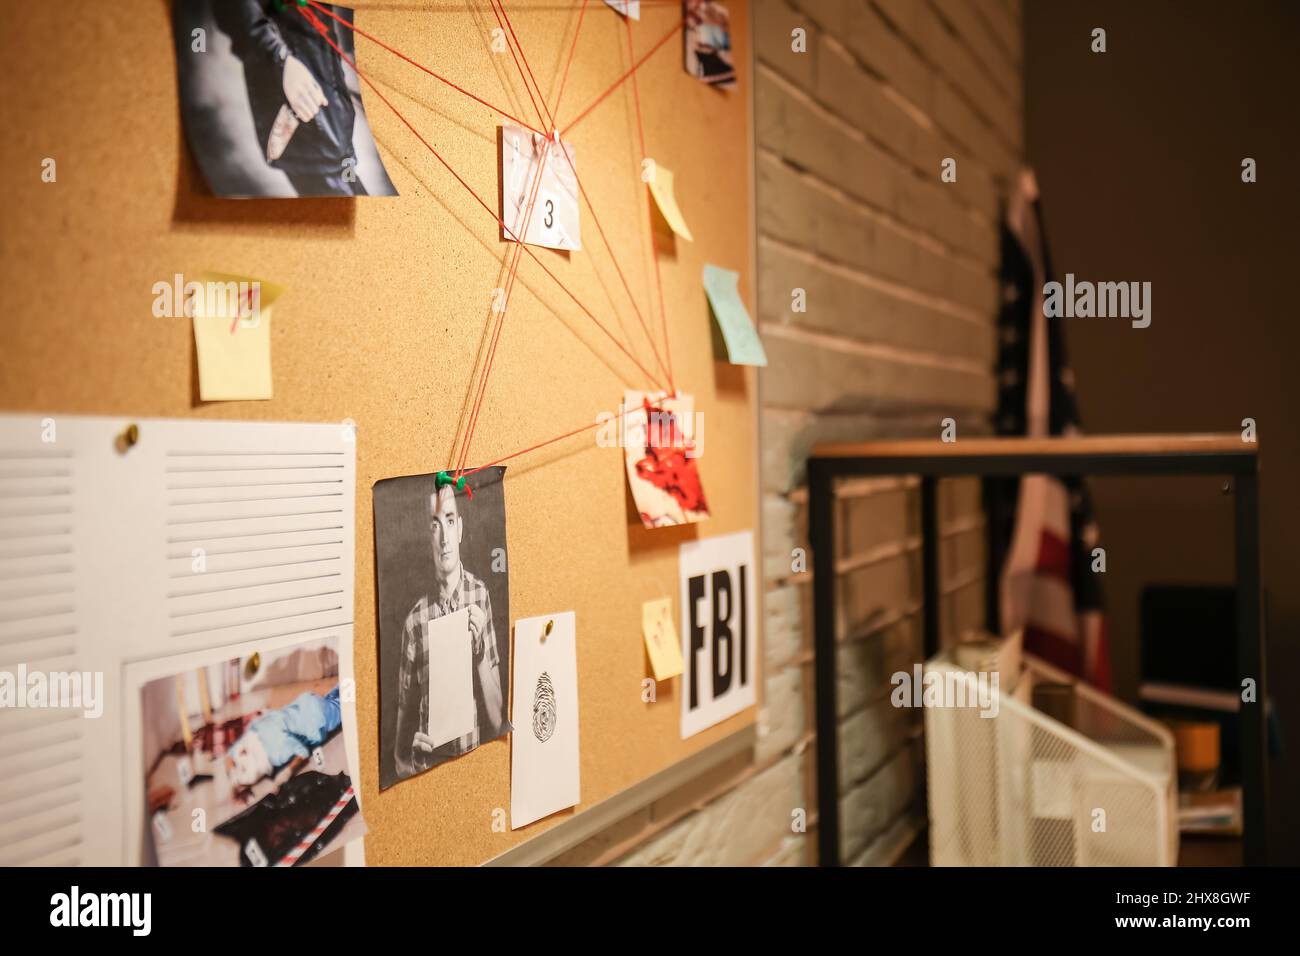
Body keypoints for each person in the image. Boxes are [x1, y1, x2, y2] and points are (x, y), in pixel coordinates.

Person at [394, 483, 505, 778]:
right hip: (432, 778)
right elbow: (398, 756)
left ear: (460, 530)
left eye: (450, 520)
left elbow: (497, 723)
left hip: (476, 771)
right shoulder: (414, 622)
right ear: (425, 535)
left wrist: (480, 654)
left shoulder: (479, 596)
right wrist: (410, 760)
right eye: (434, 524)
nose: (444, 537)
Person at [214, 1, 368, 196]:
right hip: (296, 97)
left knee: (344, 190)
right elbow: (233, 9)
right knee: (340, 198)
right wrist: (279, 56)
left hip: (326, 85)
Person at [224, 685, 342, 800]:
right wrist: (233, 773)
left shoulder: (277, 751)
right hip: (307, 702)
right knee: (344, 688)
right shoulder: (255, 730)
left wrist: (288, 772)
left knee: (349, 704)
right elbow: (230, 755)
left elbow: (302, 752)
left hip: (319, 719)